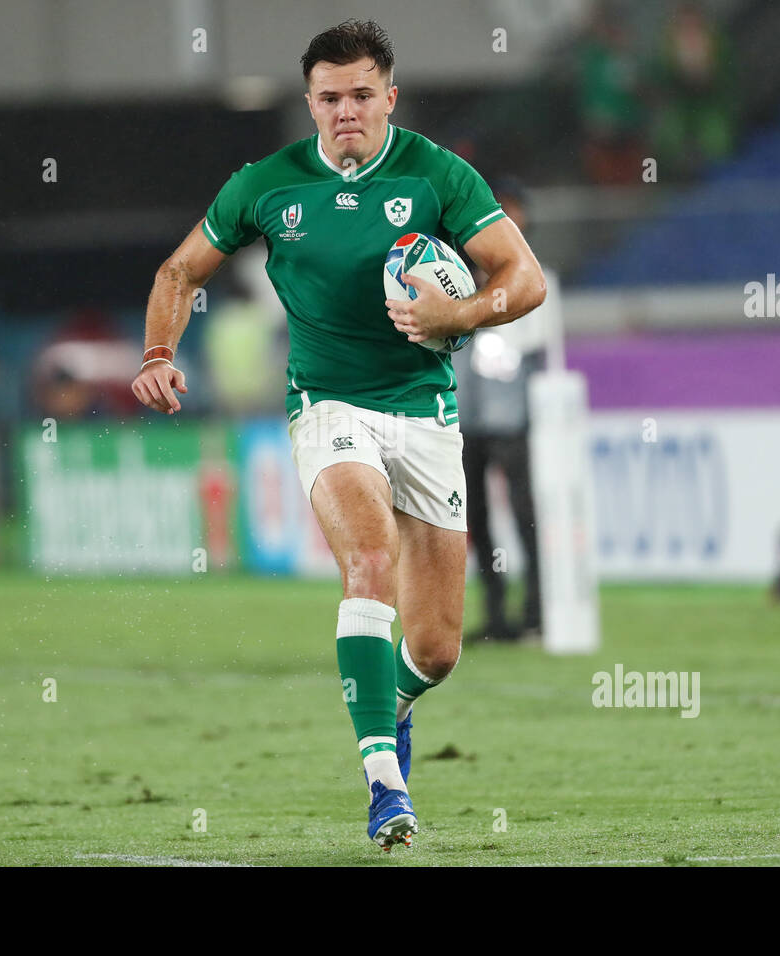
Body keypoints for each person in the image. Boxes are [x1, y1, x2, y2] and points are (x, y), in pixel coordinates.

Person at [130, 19, 545, 849]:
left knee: (436, 650)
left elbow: (523, 277)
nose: (346, 110)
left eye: (362, 95)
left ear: (390, 96)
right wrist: (158, 351)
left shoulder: (437, 174)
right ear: (309, 103)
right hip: (328, 404)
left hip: (424, 410)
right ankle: (386, 789)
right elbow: (180, 271)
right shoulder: (266, 186)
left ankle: (390, 705)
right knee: (367, 559)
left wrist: (455, 314)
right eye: (329, 98)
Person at [453, 178, 552, 642]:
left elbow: (533, 351)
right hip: (467, 418)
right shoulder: (455, 278)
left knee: (523, 514)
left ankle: (535, 613)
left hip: (512, 419)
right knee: (476, 521)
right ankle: (495, 615)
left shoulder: (536, 280)